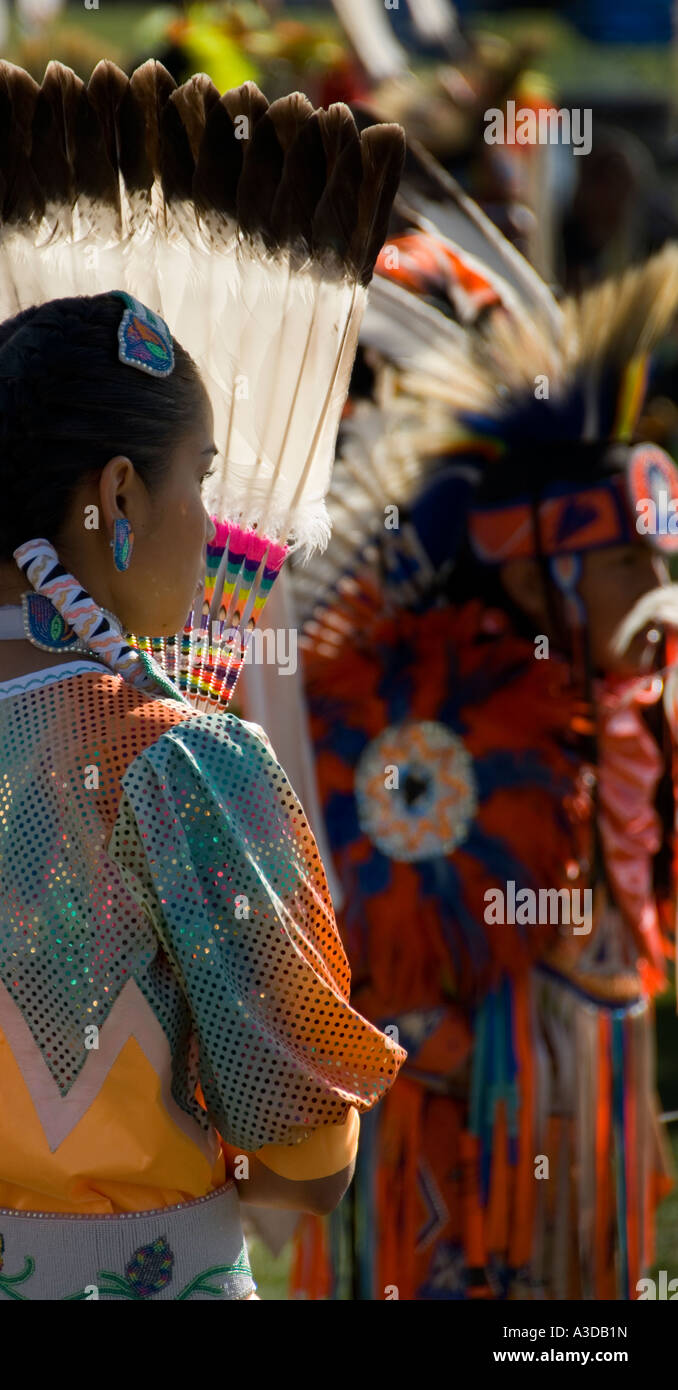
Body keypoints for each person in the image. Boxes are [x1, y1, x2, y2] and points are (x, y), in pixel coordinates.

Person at [0, 290, 405, 1301]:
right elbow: (307, 1157)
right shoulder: (186, 764)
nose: (212, 527)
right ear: (119, 496)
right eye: (202, 480)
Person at [284, 222, 678, 1300]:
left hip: (587, 1081)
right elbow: (370, 940)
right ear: (529, 569)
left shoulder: (641, 708)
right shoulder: (418, 707)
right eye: (622, 559)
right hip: (453, 1115)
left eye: (663, 553)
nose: (656, 586)